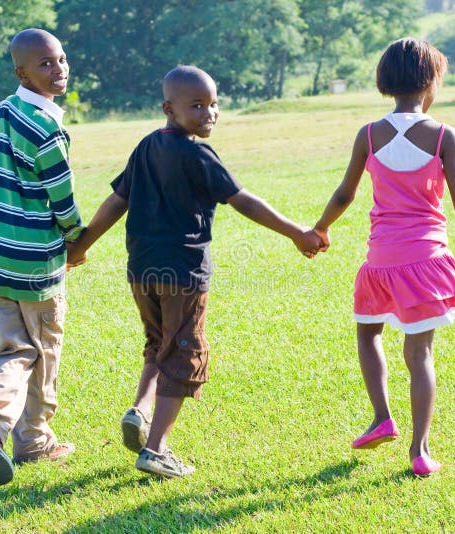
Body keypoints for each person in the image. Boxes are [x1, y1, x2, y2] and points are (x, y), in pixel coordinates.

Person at [71, 65, 322, 478]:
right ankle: (156, 450)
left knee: (158, 344)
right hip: (183, 272)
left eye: (213, 103)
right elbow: (242, 200)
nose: (210, 113)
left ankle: (140, 410)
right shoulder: (199, 154)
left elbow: (117, 201)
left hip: (142, 269)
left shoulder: (148, 145)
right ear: (170, 108)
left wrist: (82, 245)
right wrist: (296, 233)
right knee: (184, 353)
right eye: (197, 106)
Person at [312, 38, 455, 476]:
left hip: (380, 260)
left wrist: (321, 227)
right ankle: (419, 451)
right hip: (427, 260)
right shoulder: (443, 135)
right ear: (431, 82)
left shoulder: (368, 134)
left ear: (385, 81)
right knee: (419, 353)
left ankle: (381, 417)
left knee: (368, 334)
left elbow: (344, 194)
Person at [0, 29, 85, 486]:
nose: (58, 68)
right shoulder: (47, 129)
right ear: (21, 72)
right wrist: (75, 238)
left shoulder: (1, 114)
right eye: (46, 63)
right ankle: (34, 442)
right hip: (35, 269)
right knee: (43, 351)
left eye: (61, 59)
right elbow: (61, 197)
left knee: (12, 349)